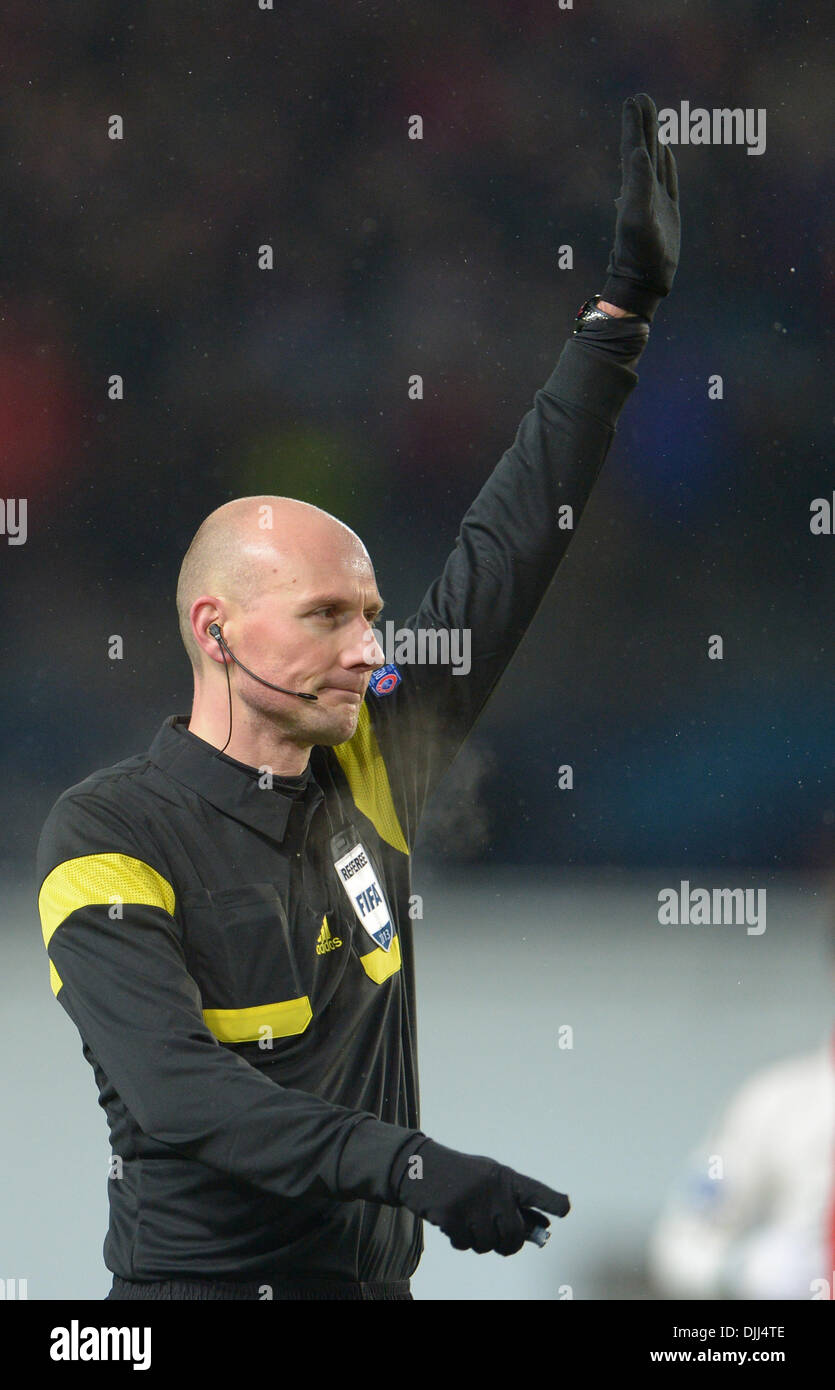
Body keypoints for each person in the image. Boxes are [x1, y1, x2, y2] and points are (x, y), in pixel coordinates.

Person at [35, 94, 680, 1300]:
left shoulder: (373, 755)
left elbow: (507, 548)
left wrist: (615, 320)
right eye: (328, 616)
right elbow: (182, 1094)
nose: (367, 646)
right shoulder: (108, 834)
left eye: (373, 615)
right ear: (215, 631)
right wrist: (412, 1165)